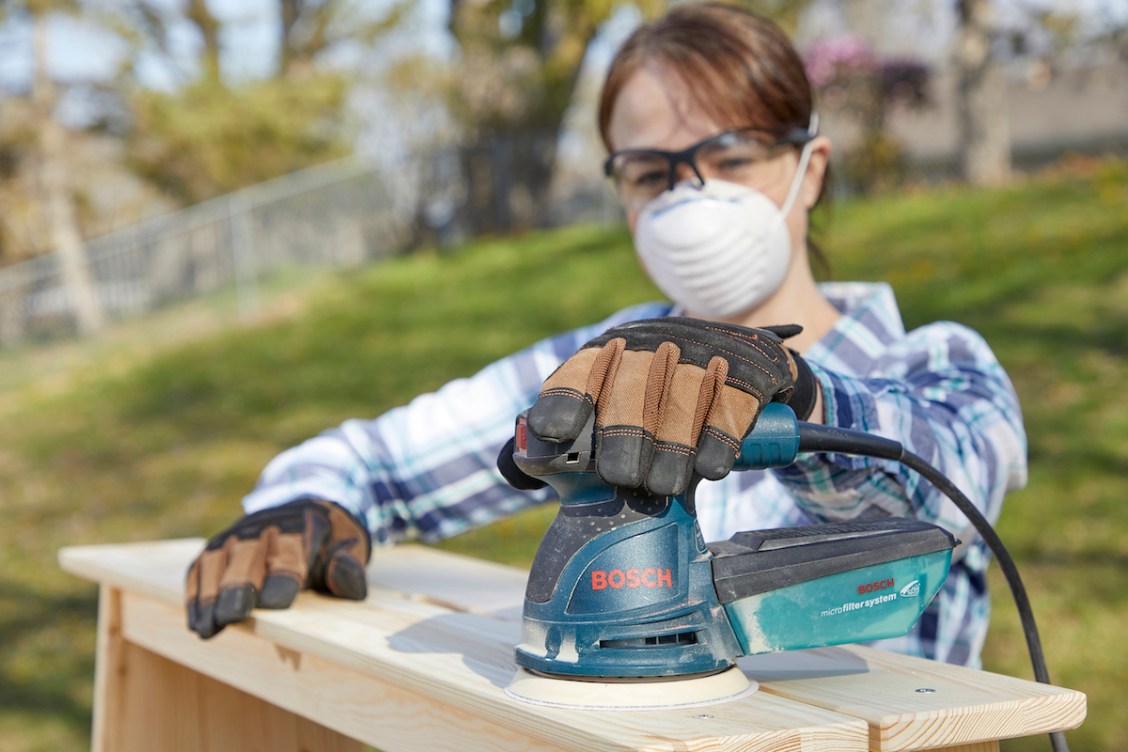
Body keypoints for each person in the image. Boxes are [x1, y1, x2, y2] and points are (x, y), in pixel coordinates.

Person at [184, 1, 1026, 668]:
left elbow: (948, 477)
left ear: (812, 168)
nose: (692, 197)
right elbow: (379, 461)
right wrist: (306, 504)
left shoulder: (937, 363)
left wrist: (800, 395)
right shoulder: (606, 368)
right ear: (621, 193)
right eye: (652, 173)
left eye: (729, 158)